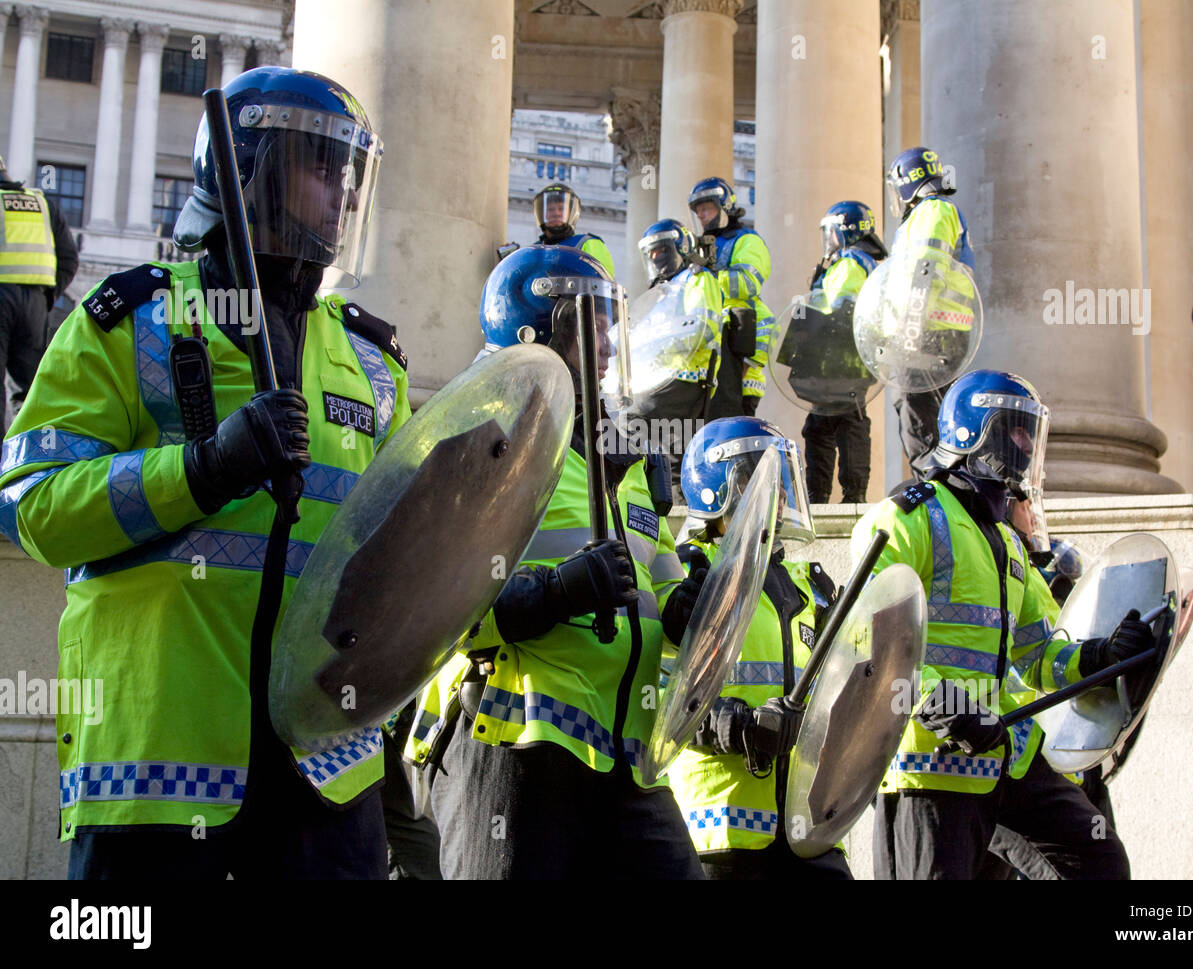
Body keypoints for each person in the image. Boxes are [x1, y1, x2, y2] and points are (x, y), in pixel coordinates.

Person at [0, 67, 410, 878]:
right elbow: (32, 504)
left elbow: (403, 559)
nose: (342, 193)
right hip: (157, 769)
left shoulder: (375, 362)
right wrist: (203, 469)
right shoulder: (129, 321)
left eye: (348, 172)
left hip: (327, 775)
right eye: (318, 166)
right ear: (247, 173)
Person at [429, 244, 702, 879]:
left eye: (610, 325)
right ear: (537, 329)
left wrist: (685, 609)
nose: (608, 343)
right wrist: (552, 593)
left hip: (626, 755)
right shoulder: (480, 442)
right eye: (592, 325)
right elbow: (426, 604)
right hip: (515, 742)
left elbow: (658, 587)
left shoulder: (623, 461)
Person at [852, 368, 1142, 879]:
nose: (1026, 446)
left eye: (1031, 433)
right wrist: (938, 701)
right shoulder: (906, 517)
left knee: (1098, 861)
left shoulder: (1009, 542)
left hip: (1006, 753)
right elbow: (865, 636)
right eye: (1015, 430)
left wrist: (1100, 656)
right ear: (972, 432)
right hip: (931, 763)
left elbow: (1038, 654)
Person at [665, 416, 851, 879]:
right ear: (716, 488)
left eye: (783, 479)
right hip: (724, 830)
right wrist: (741, 726)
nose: (779, 493)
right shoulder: (691, 576)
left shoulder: (809, 586)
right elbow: (658, 696)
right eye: (757, 478)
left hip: (808, 828)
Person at [883, 147, 974, 475]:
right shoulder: (929, 214)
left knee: (918, 416)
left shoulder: (932, 210)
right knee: (925, 414)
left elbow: (926, 271)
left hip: (926, 329)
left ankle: (935, 483)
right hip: (932, 328)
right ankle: (941, 480)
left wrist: (909, 327)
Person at [800, 200, 887, 504]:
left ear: (846, 231)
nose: (829, 240)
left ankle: (847, 495)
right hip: (841, 360)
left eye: (832, 232)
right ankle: (834, 494)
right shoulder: (857, 263)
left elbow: (838, 310)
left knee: (846, 422)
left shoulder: (850, 262)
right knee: (823, 426)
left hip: (842, 358)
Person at [628, 218, 723, 493]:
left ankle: (678, 501)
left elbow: (702, 328)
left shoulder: (697, 279)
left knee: (636, 419)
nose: (656, 258)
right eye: (651, 253)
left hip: (687, 376)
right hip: (658, 380)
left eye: (661, 250)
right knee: (654, 443)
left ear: (680, 248)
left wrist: (661, 345)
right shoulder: (660, 292)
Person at [0, 154, 79, 429]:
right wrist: (46, 297)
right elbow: (69, 260)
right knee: (33, 389)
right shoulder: (43, 204)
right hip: (34, 305)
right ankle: (34, 448)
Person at [688, 177, 772, 419]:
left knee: (734, 434)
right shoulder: (701, 248)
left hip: (739, 366)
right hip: (711, 369)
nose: (701, 215)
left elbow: (748, 282)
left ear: (724, 207)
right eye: (698, 210)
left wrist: (709, 274)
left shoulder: (746, 240)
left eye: (706, 208)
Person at [532, 182, 616, 278]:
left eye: (561, 209)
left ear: (570, 213)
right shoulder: (532, 250)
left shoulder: (588, 243)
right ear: (541, 214)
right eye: (550, 209)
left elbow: (603, 280)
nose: (556, 213)